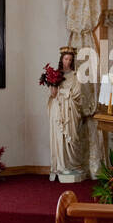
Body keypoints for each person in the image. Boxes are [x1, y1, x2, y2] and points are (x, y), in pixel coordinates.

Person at [48, 47, 86, 181]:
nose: (68, 61)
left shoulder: (76, 75)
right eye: (65, 58)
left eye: (70, 59)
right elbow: (53, 94)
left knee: (72, 136)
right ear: (61, 59)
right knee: (59, 137)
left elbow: (77, 93)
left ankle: (73, 165)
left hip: (70, 109)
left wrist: (63, 93)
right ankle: (62, 165)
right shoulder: (55, 74)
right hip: (58, 109)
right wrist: (53, 83)